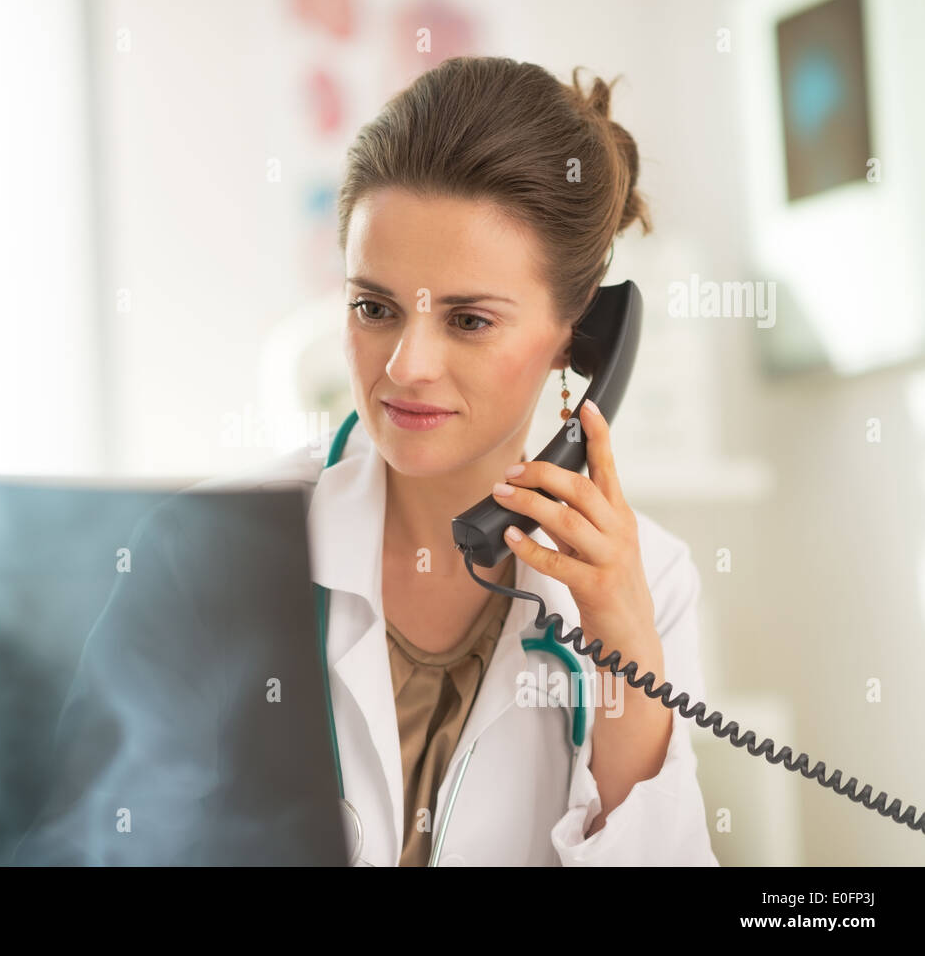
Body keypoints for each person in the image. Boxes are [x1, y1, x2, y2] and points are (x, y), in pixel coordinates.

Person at [227, 55, 719, 865]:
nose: (407, 365)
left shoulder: (652, 583)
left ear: (580, 338)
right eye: (374, 307)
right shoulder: (220, 545)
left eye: (469, 320)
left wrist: (625, 657)